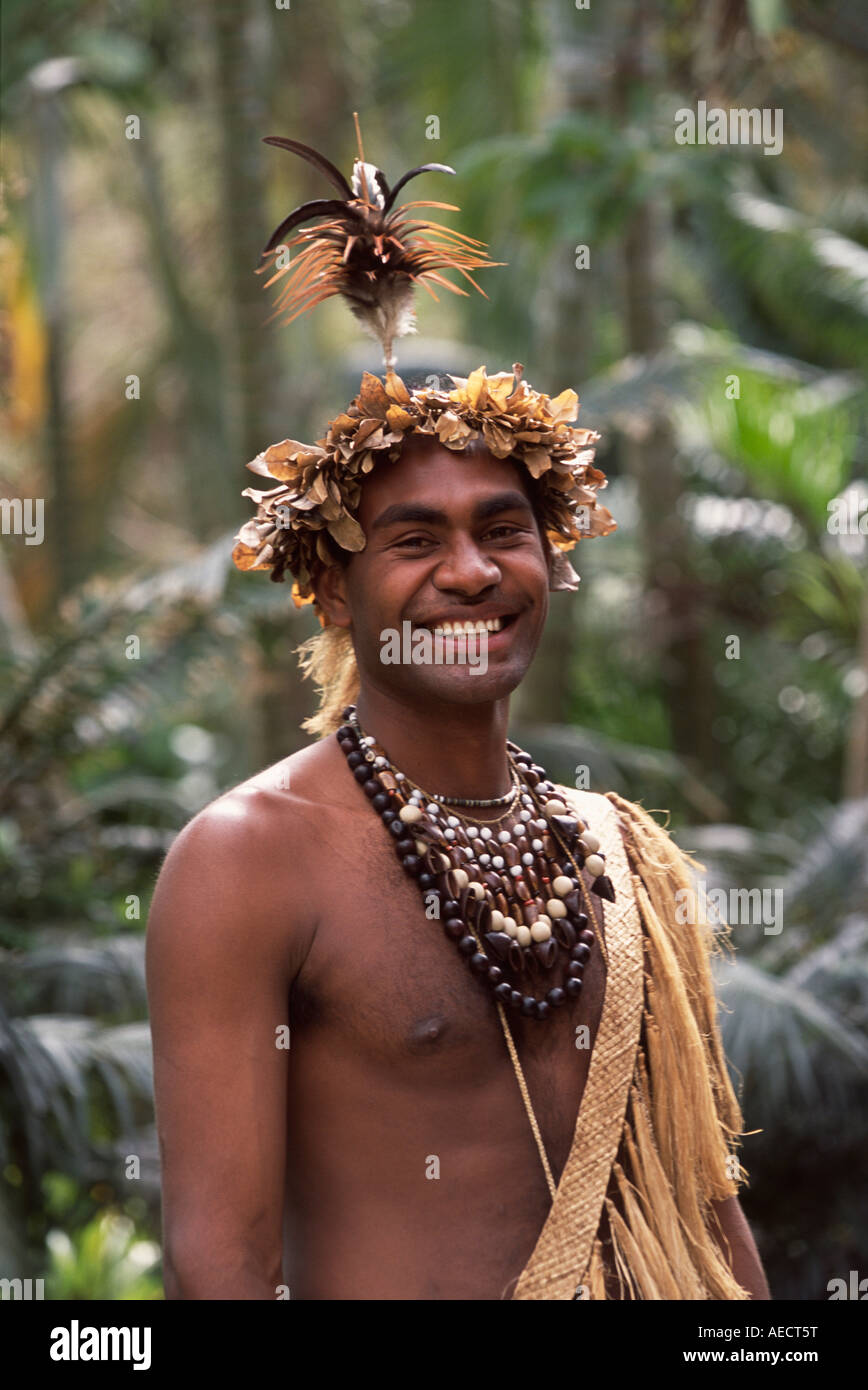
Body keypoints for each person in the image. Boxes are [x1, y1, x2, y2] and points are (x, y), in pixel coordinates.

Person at [145, 129, 770, 1301]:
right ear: (333, 589)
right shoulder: (245, 864)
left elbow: (706, 1211)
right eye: (414, 540)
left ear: (553, 559)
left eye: (502, 529)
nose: (471, 571)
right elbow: (217, 1264)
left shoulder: (619, 855)